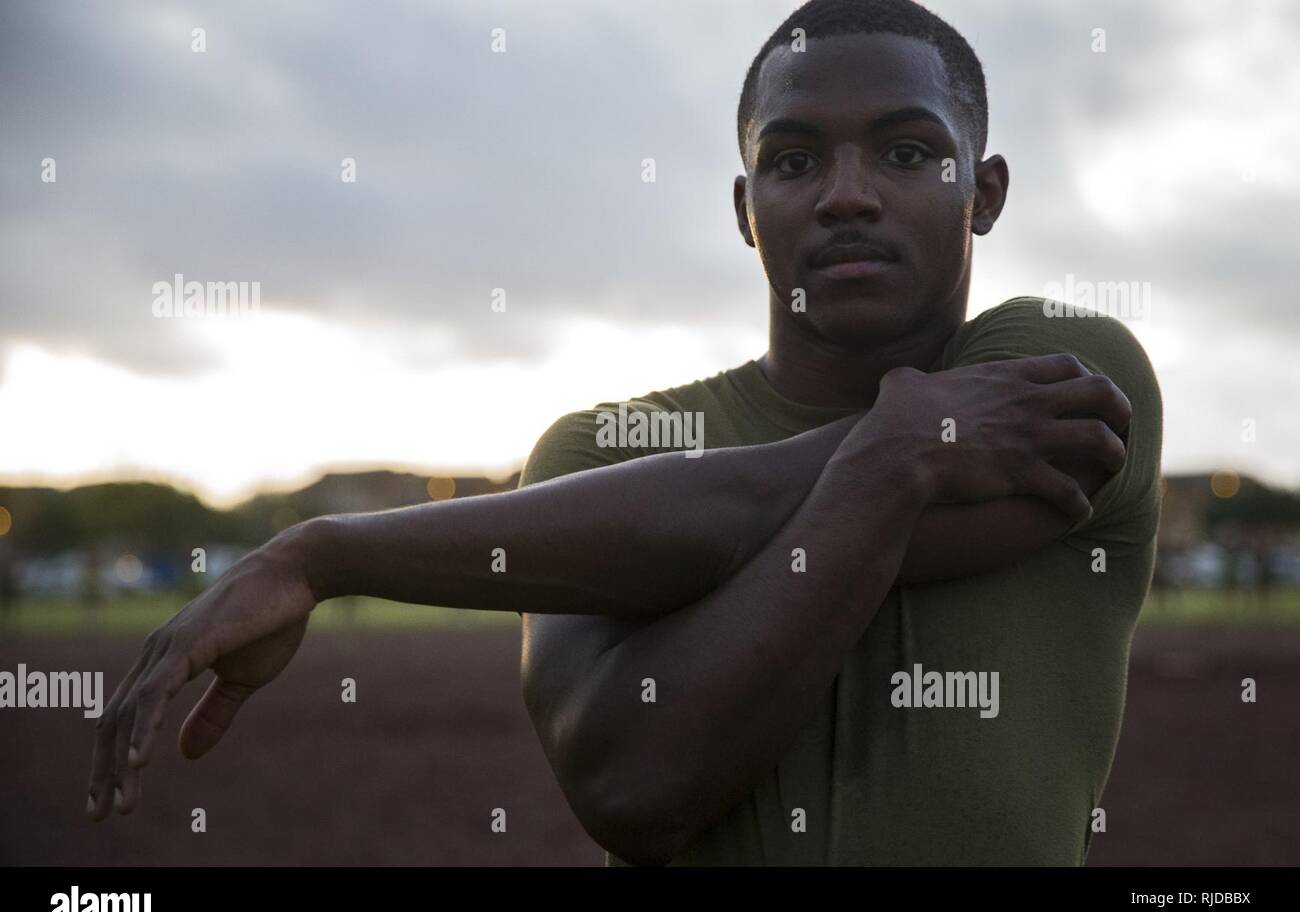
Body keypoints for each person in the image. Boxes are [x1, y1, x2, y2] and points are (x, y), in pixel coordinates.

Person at [86, 0, 1162, 867]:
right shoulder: (596, 456)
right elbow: (634, 788)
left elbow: (739, 511)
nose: (844, 195)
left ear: (983, 191)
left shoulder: (1067, 374)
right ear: (745, 210)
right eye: (792, 162)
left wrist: (330, 554)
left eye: (905, 151)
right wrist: (899, 453)